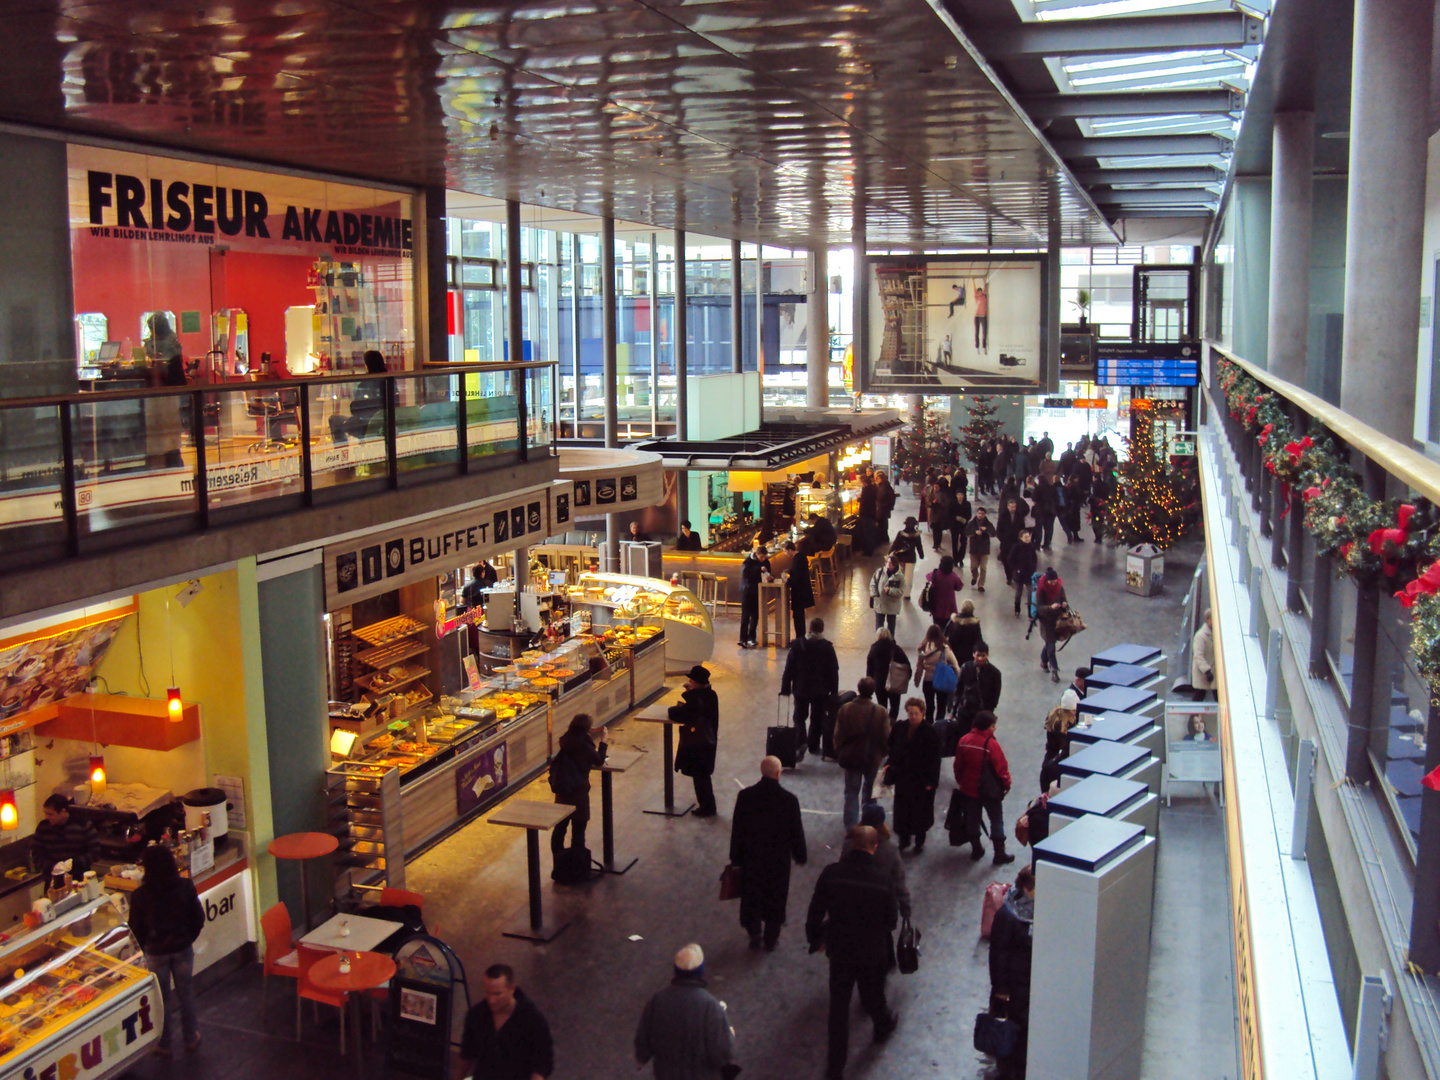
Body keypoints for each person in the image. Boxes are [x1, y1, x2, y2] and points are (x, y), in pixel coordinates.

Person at [805, 825, 899, 1080]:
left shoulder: (832, 873)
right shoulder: (882, 879)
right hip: (871, 951)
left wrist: (816, 938)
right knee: (872, 995)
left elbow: (815, 911)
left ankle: (835, 1068)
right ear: (874, 847)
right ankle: (882, 1025)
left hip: (841, 950)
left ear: (851, 845)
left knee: (839, 1008)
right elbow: (891, 920)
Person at [128, 845, 205, 1056]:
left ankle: (164, 1044)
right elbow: (198, 918)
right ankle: (190, 1038)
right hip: (182, 948)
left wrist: (145, 949)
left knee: (161, 1000)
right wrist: (188, 938)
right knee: (186, 994)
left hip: (156, 953)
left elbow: (135, 929)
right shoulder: (185, 887)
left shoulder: (140, 896)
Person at [730, 756, 808, 951]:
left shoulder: (745, 797)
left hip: (751, 858)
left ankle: (754, 931)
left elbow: (737, 829)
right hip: (778, 861)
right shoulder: (789, 801)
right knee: (775, 897)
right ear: (778, 774)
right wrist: (800, 855)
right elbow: (796, 832)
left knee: (752, 896)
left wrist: (735, 858)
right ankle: (771, 938)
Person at [634, 945, 736, 1080]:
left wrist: (642, 1058)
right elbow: (721, 1052)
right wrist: (730, 1035)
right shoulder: (710, 1005)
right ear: (700, 971)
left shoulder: (658, 1000)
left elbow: (643, 1042)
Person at [456, 964, 555, 1080]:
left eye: (498, 994)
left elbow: (542, 1065)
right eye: (488, 993)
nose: (492, 1000)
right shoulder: (477, 1015)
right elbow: (467, 1054)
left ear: (512, 989)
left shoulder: (533, 1020)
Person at [988, 866, 1036, 1079]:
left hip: (1027, 983)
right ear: (1027, 888)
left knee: (1023, 1031)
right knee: (1014, 1031)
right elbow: (998, 954)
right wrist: (1001, 989)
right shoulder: (1008, 915)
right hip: (1015, 987)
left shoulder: (1030, 910)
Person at [954, 710, 1014, 865]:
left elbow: (958, 766)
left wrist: (961, 781)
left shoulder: (964, 741)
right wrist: (1006, 785)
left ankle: (976, 849)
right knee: (996, 820)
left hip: (968, 789)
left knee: (972, 820)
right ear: (987, 727)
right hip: (989, 791)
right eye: (993, 725)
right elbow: (1001, 769)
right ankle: (999, 854)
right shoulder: (991, 745)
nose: (995, 728)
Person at [834, 677, 891, 830]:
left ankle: (851, 827)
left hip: (851, 756)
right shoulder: (880, 711)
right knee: (870, 792)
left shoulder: (846, 709)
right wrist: (883, 753)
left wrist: (840, 751)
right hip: (872, 757)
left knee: (851, 792)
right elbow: (886, 737)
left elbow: (838, 736)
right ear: (873, 691)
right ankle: (870, 823)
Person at [550, 713, 607, 866]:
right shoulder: (583, 745)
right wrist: (603, 741)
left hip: (563, 790)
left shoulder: (567, 739)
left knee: (560, 826)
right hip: (578, 791)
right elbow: (599, 760)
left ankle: (558, 862)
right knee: (579, 826)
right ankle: (577, 865)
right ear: (587, 729)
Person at [886, 698, 942, 853]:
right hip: (904, 778)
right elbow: (892, 748)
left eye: (916, 713)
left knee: (920, 812)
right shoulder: (900, 727)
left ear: (923, 713)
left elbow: (935, 760)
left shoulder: (931, 733)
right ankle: (904, 840)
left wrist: (931, 781)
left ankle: (919, 842)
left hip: (922, 780)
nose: (913, 717)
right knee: (903, 811)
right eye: (910, 713)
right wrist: (890, 765)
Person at [781, 617, 840, 757]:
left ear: (809, 629)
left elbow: (789, 668)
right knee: (817, 718)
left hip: (801, 688)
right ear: (822, 629)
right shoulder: (827, 648)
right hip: (820, 691)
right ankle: (813, 745)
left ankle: (801, 741)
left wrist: (785, 688)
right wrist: (834, 691)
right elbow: (833, 671)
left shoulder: (797, 645)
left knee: (799, 717)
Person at [672, 666, 720, 816]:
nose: (689, 681)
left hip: (698, 743)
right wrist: (690, 693)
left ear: (696, 682)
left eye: (691, 679)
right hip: (708, 741)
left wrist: (690, 695)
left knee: (700, 776)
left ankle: (706, 807)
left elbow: (682, 714)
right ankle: (708, 805)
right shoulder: (711, 695)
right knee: (703, 775)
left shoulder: (697, 698)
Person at [856, 803, 911, 920]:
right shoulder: (890, 850)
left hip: (855, 902)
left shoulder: (848, 845)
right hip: (880, 905)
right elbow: (899, 882)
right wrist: (905, 910)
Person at [32, 794, 98, 886]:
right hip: (53, 882)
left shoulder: (83, 825)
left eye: (50, 814)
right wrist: (53, 866)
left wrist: (73, 864)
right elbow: (36, 855)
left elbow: (95, 852)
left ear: (63, 812)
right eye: (45, 813)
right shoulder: (43, 828)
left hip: (80, 881)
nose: (47, 817)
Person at [329, 349, 388, 444]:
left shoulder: (366, 383)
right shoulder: (390, 380)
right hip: (384, 422)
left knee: (334, 420)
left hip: (367, 425)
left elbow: (356, 410)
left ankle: (341, 451)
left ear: (368, 365)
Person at [913, 625, 960, 725]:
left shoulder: (923, 647)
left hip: (928, 681)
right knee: (941, 706)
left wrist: (917, 681)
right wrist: (958, 679)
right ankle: (939, 726)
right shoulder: (944, 648)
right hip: (942, 681)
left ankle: (929, 725)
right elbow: (955, 665)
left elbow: (919, 667)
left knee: (929, 706)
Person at [954, 643, 1003, 737]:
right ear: (973, 654)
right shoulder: (966, 667)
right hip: (965, 710)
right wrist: (955, 709)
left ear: (987, 655)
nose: (980, 658)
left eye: (983, 655)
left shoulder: (995, 673)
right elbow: (959, 689)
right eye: (978, 655)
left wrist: (989, 710)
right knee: (963, 736)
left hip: (982, 711)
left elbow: (995, 694)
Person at [866, 627, 909, 721]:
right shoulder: (896, 649)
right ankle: (892, 725)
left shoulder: (874, 649)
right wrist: (905, 679)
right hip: (894, 682)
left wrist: (870, 681)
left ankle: (883, 725)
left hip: (879, 683)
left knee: (882, 706)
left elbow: (869, 668)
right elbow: (907, 665)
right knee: (894, 706)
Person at [738, 542, 770, 648]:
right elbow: (745, 573)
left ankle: (752, 638)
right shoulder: (748, 561)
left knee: (755, 616)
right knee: (745, 616)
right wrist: (758, 569)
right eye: (761, 557)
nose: (763, 559)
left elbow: (769, 573)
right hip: (747, 591)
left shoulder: (766, 561)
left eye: (765, 557)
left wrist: (770, 577)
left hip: (758, 592)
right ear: (757, 554)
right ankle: (743, 638)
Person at [1035, 596, 1070, 683]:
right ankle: (1054, 670)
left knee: (1049, 644)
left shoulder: (1059, 588)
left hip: (1058, 623)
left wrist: (1064, 605)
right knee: (1051, 647)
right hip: (1046, 624)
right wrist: (1050, 607)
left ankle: (1043, 661)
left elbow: (1064, 601)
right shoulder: (1041, 592)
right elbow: (1039, 609)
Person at [890, 517, 925, 599]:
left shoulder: (900, 534)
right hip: (911, 558)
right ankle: (907, 594)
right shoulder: (916, 535)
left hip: (901, 558)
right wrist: (921, 555)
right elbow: (919, 546)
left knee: (899, 574)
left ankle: (897, 591)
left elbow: (895, 545)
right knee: (909, 577)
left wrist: (890, 553)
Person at [924, 555, 964, 627]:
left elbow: (928, 576)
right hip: (950, 607)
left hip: (936, 606)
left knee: (937, 627)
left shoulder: (935, 574)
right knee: (948, 628)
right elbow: (959, 587)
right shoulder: (953, 576)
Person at [787, 540, 815, 641]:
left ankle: (800, 638)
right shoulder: (800, 557)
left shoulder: (798, 559)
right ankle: (800, 637)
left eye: (786, 552)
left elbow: (797, 577)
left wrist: (788, 580)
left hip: (800, 592)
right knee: (798, 615)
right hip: (801, 591)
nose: (786, 554)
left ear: (790, 550)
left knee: (798, 616)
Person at [869, 555, 904, 632]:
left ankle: (890, 641)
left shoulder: (900, 577)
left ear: (895, 565)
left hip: (892, 606)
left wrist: (890, 591)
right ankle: (879, 642)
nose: (888, 565)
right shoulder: (880, 572)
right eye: (887, 562)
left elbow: (901, 591)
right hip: (880, 604)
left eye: (890, 563)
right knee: (879, 625)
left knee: (891, 625)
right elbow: (873, 583)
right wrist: (874, 594)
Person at [1008, 529, 1038, 617]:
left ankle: (1030, 611)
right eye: (1025, 537)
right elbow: (1010, 559)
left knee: (1030, 593)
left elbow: (1034, 558)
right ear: (1021, 538)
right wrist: (1016, 569)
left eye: (1029, 536)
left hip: (1029, 573)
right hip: (1019, 574)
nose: (1028, 538)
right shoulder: (1016, 547)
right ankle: (1017, 609)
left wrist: (1033, 568)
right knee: (1018, 592)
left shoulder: (1031, 546)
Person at [966, 508, 996, 591]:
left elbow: (993, 534)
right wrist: (974, 532)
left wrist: (986, 530)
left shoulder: (988, 524)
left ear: (985, 514)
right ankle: (974, 576)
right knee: (973, 567)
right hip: (974, 548)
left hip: (984, 549)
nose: (980, 515)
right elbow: (966, 532)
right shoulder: (972, 523)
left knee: (983, 568)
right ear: (976, 513)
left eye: (982, 513)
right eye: (979, 513)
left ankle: (981, 585)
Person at [946, 600, 983, 666]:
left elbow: (945, 634)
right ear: (972, 610)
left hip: (954, 654)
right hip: (969, 656)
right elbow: (978, 641)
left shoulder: (953, 620)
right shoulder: (975, 624)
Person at [1191, 609, 1216, 701]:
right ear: (1207, 619)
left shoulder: (1216, 634)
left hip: (1213, 672)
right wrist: (1207, 671)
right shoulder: (1200, 636)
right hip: (1203, 673)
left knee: (1217, 696)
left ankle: (1194, 715)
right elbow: (1198, 655)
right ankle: (1194, 715)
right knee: (1200, 695)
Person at [1032, 475, 1058, 550]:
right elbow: (1056, 498)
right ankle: (1047, 543)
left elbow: (1034, 498)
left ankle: (1037, 544)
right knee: (1049, 528)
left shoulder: (1038, 488)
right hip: (1050, 510)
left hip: (1040, 510)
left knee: (1039, 528)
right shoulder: (1052, 487)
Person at [857, 474, 879, 555]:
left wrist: (859, 499)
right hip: (872, 513)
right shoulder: (874, 488)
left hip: (866, 513)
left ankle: (868, 551)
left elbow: (864, 500)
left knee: (867, 532)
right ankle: (871, 548)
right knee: (871, 532)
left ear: (865, 483)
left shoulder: (866, 490)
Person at [875, 471, 897, 541]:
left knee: (882, 524)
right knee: (883, 524)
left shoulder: (883, 486)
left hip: (882, 508)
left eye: (876, 478)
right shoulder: (885, 485)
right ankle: (884, 538)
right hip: (885, 508)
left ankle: (883, 539)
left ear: (879, 478)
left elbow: (881, 496)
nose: (875, 480)